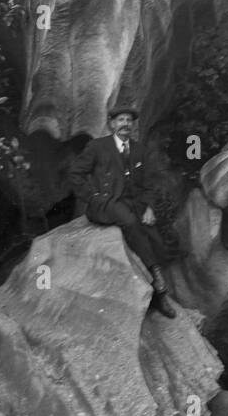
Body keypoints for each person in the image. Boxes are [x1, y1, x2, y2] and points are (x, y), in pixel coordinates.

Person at [70, 103, 178, 319]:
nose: (125, 124)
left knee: (153, 234)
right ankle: (157, 277)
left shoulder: (139, 150)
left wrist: (148, 207)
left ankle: (158, 298)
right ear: (111, 124)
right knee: (129, 222)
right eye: (121, 120)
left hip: (133, 203)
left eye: (129, 120)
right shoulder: (97, 147)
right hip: (105, 203)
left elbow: (149, 184)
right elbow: (75, 173)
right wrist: (92, 196)